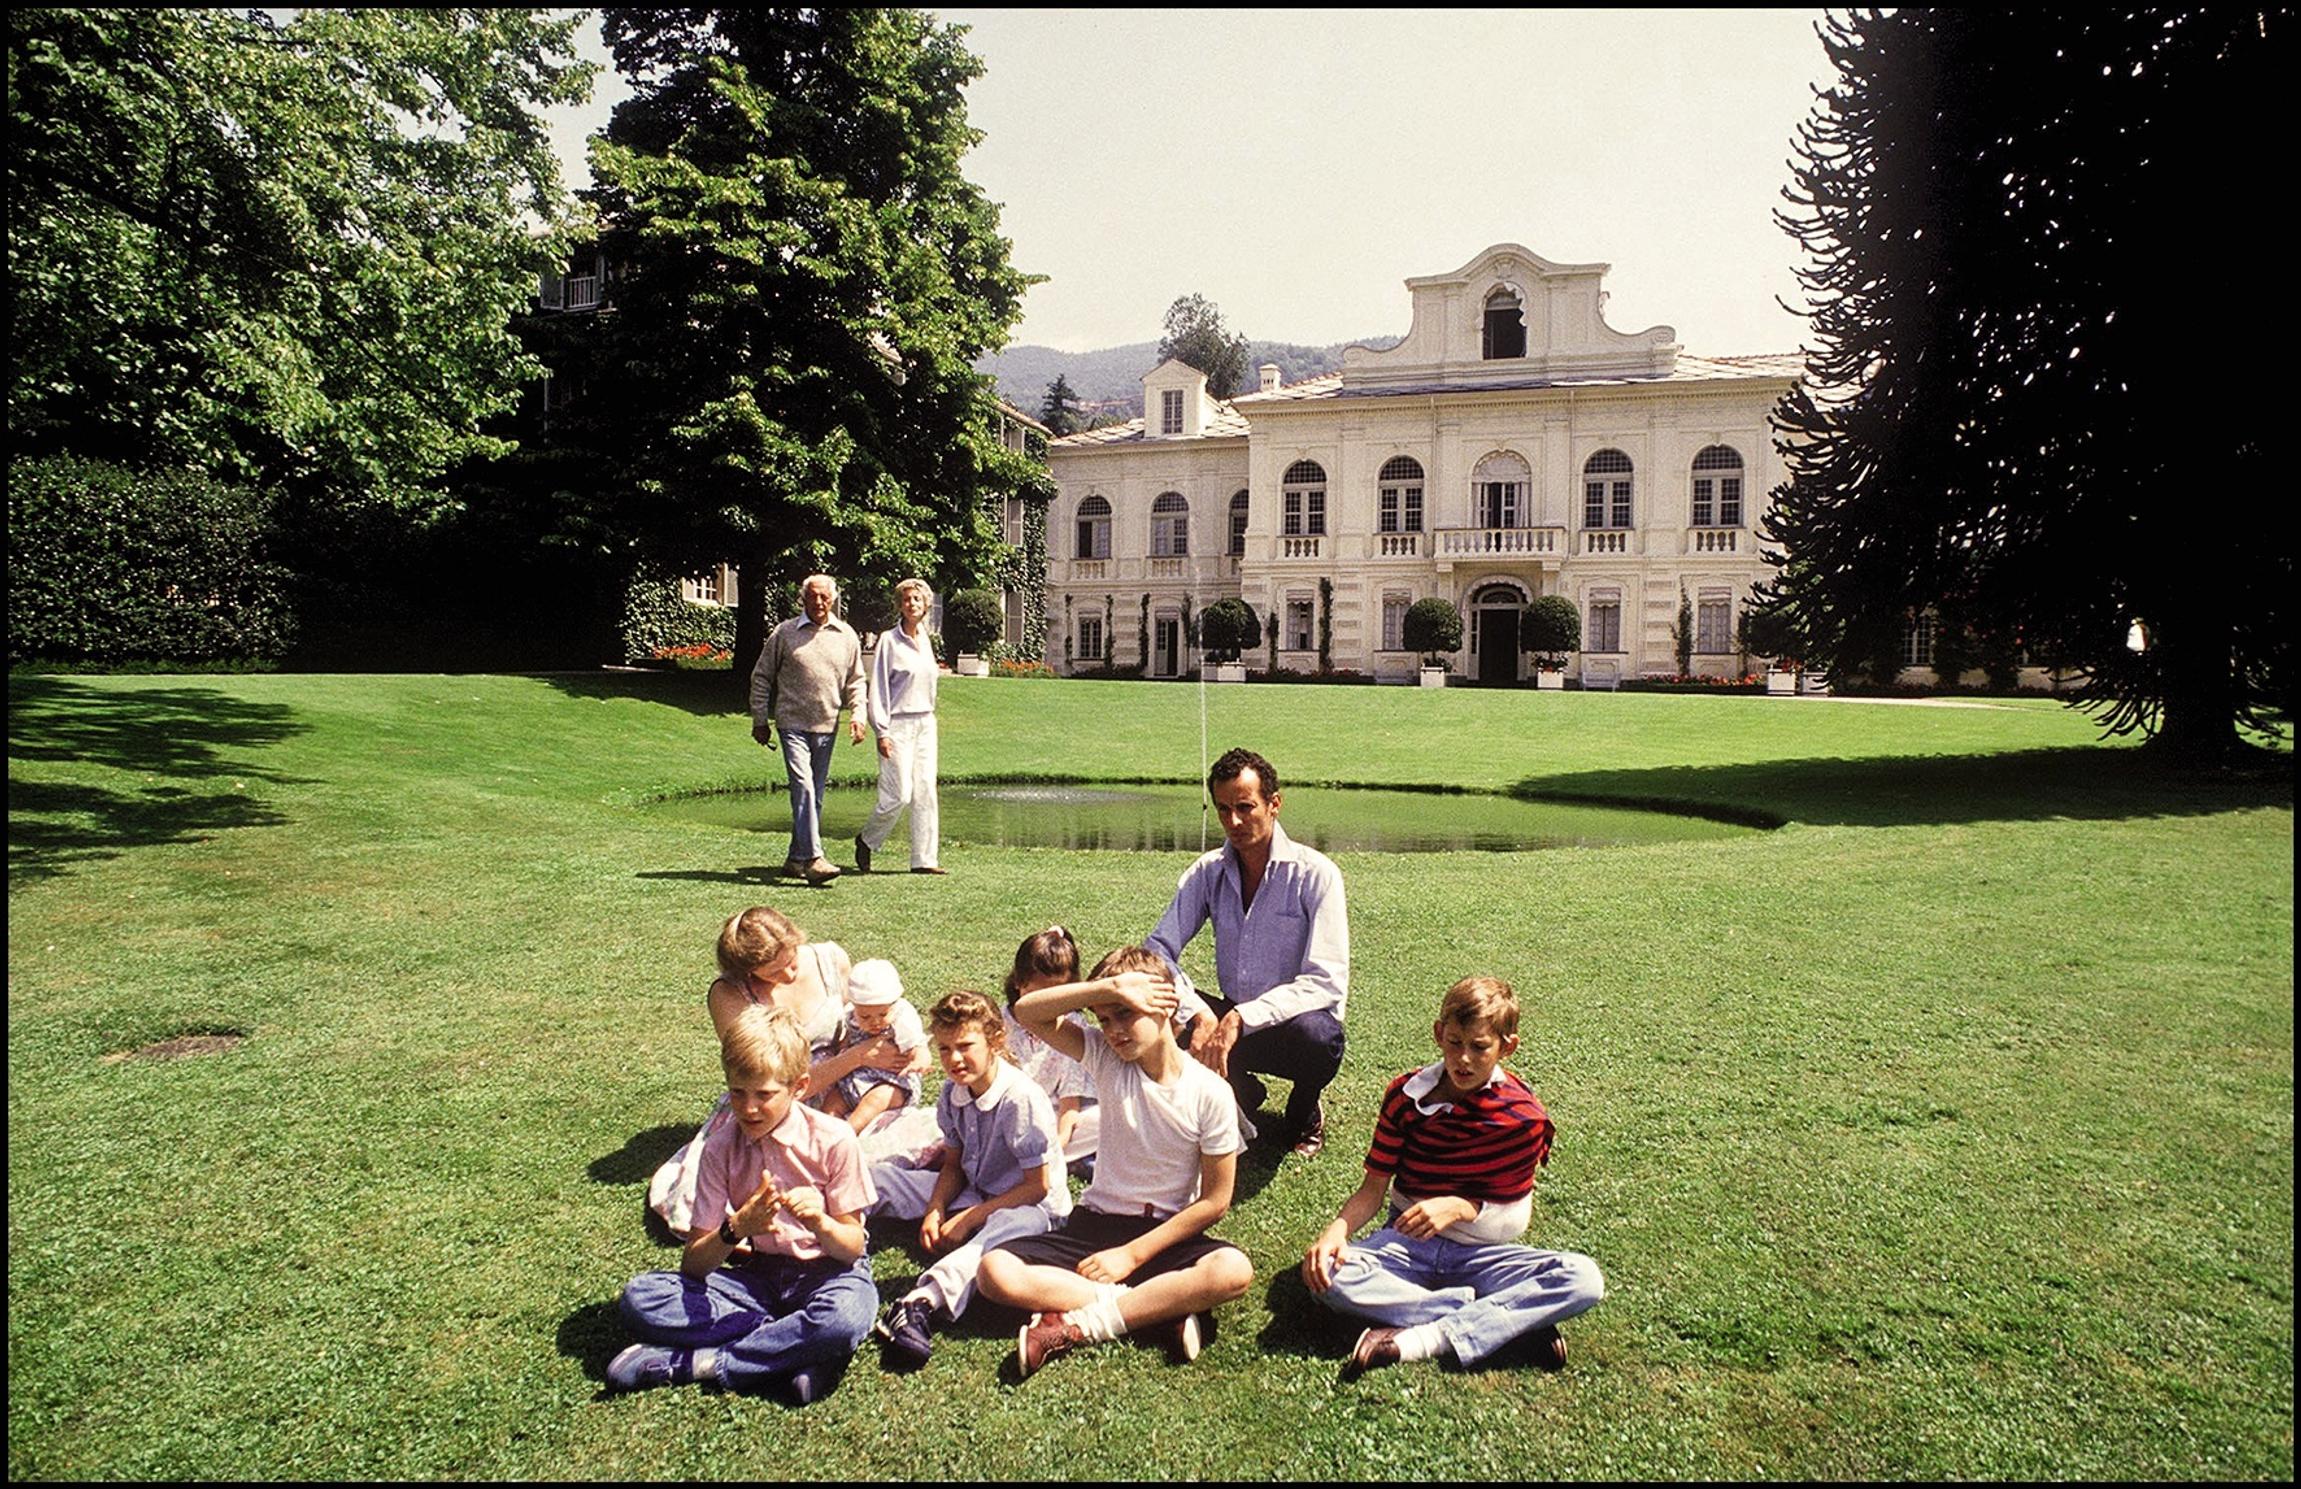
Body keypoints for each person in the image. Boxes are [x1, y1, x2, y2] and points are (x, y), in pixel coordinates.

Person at [1300, 974, 1605, 1375]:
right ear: (1438, 1033)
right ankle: (1505, 1323)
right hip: (1408, 1246)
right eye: (1454, 1043)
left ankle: (1422, 1338)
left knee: (1583, 1278)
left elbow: (1515, 1220)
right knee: (1329, 1276)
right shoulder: (1406, 1096)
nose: (1463, 1059)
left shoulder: (1522, 1116)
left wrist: (1460, 1208)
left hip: (1483, 1254)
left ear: (1506, 1047)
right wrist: (1336, 1231)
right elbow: (1373, 1189)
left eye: (1480, 1047)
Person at [976, 945, 1254, 1379]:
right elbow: (1026, 1010)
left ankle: (1081, 1324)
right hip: (1096, 1225)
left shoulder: (1211, 1093)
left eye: (1125, 1014)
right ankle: (1158, 1307)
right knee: (995, 1271)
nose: (1113, 1031)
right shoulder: (1104, 1056)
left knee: (1233, 1270)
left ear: (1166, 1006)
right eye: (1104, 1019)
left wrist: (1131, 1255)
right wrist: (1108, 988)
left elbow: (1215, 1202)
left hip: (1163, 1236)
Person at [609, 1005, 877, 1402]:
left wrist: (820, 1221)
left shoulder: (834, 1139)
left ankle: (699, 1364)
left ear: (799, 1086)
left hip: (830, 1273)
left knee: (844, 1316)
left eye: (765, 1095)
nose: (749, 1108)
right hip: (759, 1279)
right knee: (642, 1297)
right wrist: (736, 1229)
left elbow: (851, 1247)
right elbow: (695, 1265)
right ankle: (796, 1348)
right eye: (738, 1092)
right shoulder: (720, 1149)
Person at [649, 907, 927, 1233]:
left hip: (846, 1089)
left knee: (893, 1150)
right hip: (776, 1096)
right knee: (715, 1190)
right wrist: (857, 1057)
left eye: (792, 959)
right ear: (747, 972)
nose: (790, 974)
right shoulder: (729, 994)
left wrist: (892, 1050)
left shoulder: (830, 958)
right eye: (773, 972)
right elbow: (762, 1075)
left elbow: (866, 1018)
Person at [1147, 746, 1349, 1157]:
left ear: (1274, 804)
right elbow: (1156, 950)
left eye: (1245, 807)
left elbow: (1325, 981)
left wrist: (1242, 1017)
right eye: (1223, 809)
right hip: (1226, 1019)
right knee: (1150, 996)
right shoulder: (1207, 871)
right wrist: (1198, 1013)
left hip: (1290, 1024)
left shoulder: (1317, 874)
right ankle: (1240, 1088)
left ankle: (1304, 1106)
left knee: (1321, 1038)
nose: (1233, 822)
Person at [868, 990, 1071, 1369]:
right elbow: (953, 1165)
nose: (954, 1059)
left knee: (1000, 1232)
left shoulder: (1019, 1098)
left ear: (994, 1041)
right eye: (944, 1049)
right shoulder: (952, 1091)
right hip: (977, 1189)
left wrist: (969, 1218)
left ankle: (920, 1302)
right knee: (883, 1179)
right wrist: (935, 1208)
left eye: (965, 1045)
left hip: (1034, 1209)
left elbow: (1037, 1187)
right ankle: (809, 1230)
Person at [750, 573, 866, 885]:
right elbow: (761, 676)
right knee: (803, 787)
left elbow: (856, 681)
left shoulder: (846, 635)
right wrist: (760, 719)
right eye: (812, 596)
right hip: (792, 725)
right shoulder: (785, 633)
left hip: (827, 725)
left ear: (834, 598)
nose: (818, 602)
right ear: (803, 598)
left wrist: (859, 715)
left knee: (813, 797)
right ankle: (814, 859)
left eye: (824, 597)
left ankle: (794, 859)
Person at [855, 577, 946, 875]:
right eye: (906, 600)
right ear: (900, 605)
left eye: (917, 600)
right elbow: (878, 688)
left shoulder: (926, 639)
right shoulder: (888, 641)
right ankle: (867, 839)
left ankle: (924, 859)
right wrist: (881, 731)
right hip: (897, 725)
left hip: (925, 723)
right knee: (899, 794)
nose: (912, 604)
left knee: (925, 792)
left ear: (926, 604)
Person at [1000, 926, 1097, 1172]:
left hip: (1057, 1120)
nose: (1045, 1006)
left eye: (1055, 996)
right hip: (1007, 1118)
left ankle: (1066, 1160)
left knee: (1108, 1119)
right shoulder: (999, 1025)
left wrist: (1057, 1147)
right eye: (1037, 996)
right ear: (1019, 983)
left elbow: (1070, 1104)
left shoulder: (1073, 1027)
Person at [816, 958, 926, 1132]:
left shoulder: (902, 1016)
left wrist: (919, 1060)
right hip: (857, 1079)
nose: (875, 1022)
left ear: (894, 1003)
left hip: (893, 1081)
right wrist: (843, 1049)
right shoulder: (850, 1014)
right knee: (833, 1101)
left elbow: (918, 1045)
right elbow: (846, 1040)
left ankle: (848, 1133)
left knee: (874, 1101)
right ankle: (825, 1135)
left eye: (882, 1014)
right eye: (865, 1017)